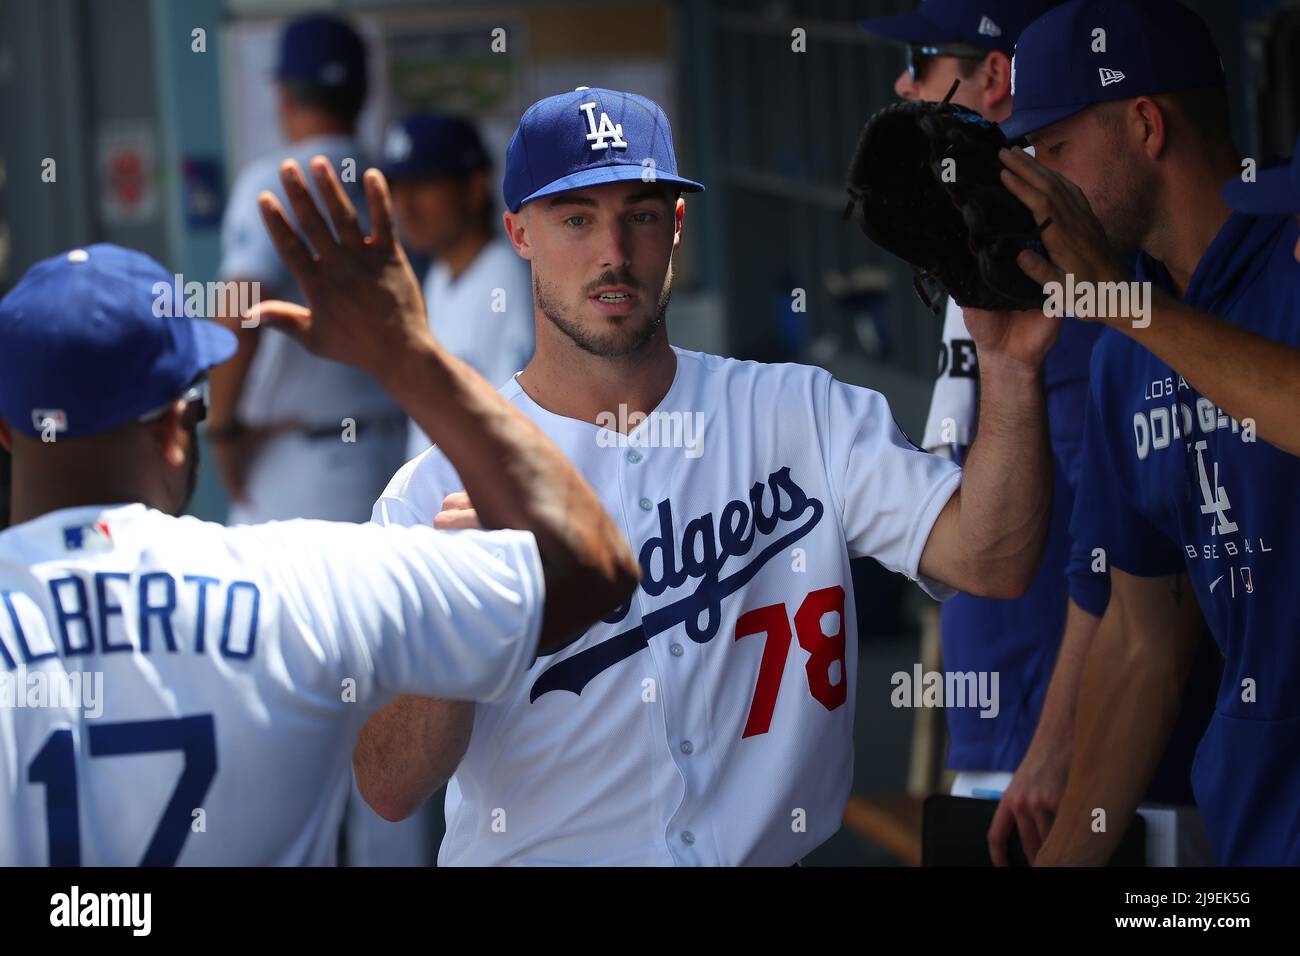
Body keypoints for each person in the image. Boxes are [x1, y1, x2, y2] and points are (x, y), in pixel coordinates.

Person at [353, 86, 1064, 866]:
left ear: (678, 226)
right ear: (520, 231)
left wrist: (1007, 371)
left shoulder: (801, 414)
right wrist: (459, 629)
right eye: (576, 217)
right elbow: (386, 785)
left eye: (642, 214)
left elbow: (991, 559)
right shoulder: (436, 490)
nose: (613, 252)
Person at [0, 160, 639, 865]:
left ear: (6, 429)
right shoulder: (299, 580)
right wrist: (407, 357)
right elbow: (596, 567)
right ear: (174, 427)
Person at [991, 0, 1300, 865]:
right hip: (1250, 827)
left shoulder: (1291, 258)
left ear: (1144, 123)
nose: (1037, 188)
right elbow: (1142, 637)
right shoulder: (1122, 346)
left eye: (1052, 152)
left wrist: (1132, 311)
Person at [210, 13, 406, 522]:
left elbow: (238, 309)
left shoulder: (275, 180)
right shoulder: (398, 182)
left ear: (285, 94)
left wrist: (222, 428)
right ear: (362, 94)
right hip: (398, 450)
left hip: (302, 458)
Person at [380, 113, 535, 461]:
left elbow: (511, 427)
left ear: (475, 186)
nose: (404, 206)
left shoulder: (505, 279)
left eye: (422, 184)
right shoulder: (437, 277)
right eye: (397, 188)